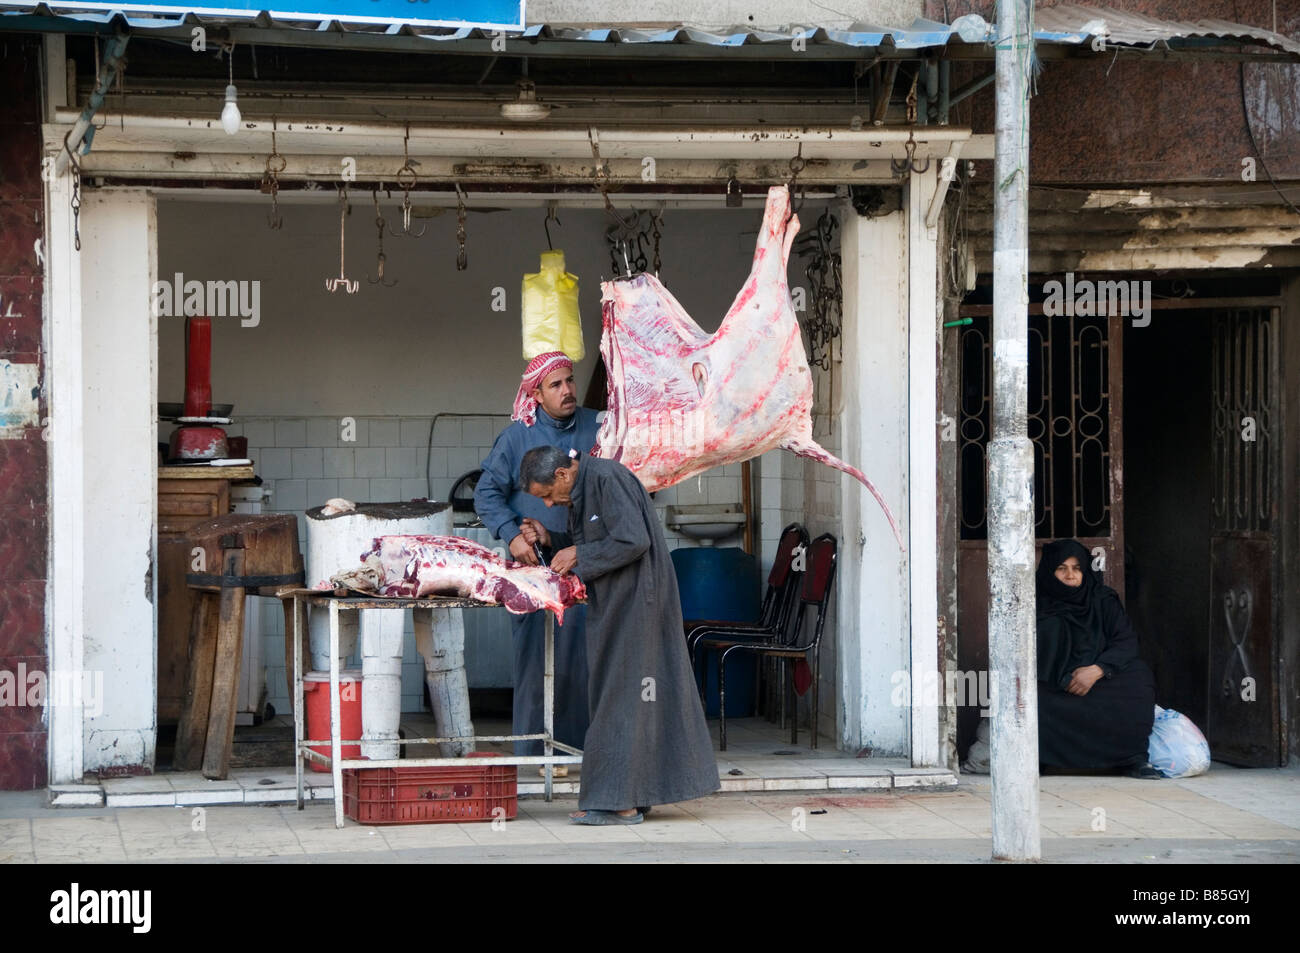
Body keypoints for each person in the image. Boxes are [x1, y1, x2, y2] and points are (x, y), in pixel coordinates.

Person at [518, 445, 721, 824]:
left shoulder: (608, 477)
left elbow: (632, 540)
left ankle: (619, 803)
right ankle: (633, 795)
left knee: (623, 695)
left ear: (562, 475)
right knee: (631, 697)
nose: (547, 504)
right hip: (616, 604)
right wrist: (552, 540)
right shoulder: (583, 488)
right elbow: (599, 540)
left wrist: (579, 554)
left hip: (638, 603)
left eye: (546, 495)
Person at [474, 352, 600, 766]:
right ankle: (531, 757)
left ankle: (577, 756)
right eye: (556, 385)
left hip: (582, 565)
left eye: (569, 382)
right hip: (530, 569)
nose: (567, 391)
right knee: (533, 662)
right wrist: (511, 535)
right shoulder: (516, 437)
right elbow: (486, 494)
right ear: (536, 394)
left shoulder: (598, 427)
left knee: (579, 660)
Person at [1035, 538, 1160, 777]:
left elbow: (1126, 641)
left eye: (1077, 568)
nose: (1070, 575)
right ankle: (1043, 756)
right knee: (1031, 693)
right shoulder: (1037, 603)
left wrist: (1098, 669)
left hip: (1100, 676)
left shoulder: (1102, 600)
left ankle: (1131, 759)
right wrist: (1063, 676)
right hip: (1058, 684)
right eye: (1062, 568)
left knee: (1138, 680)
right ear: (1051, 571)